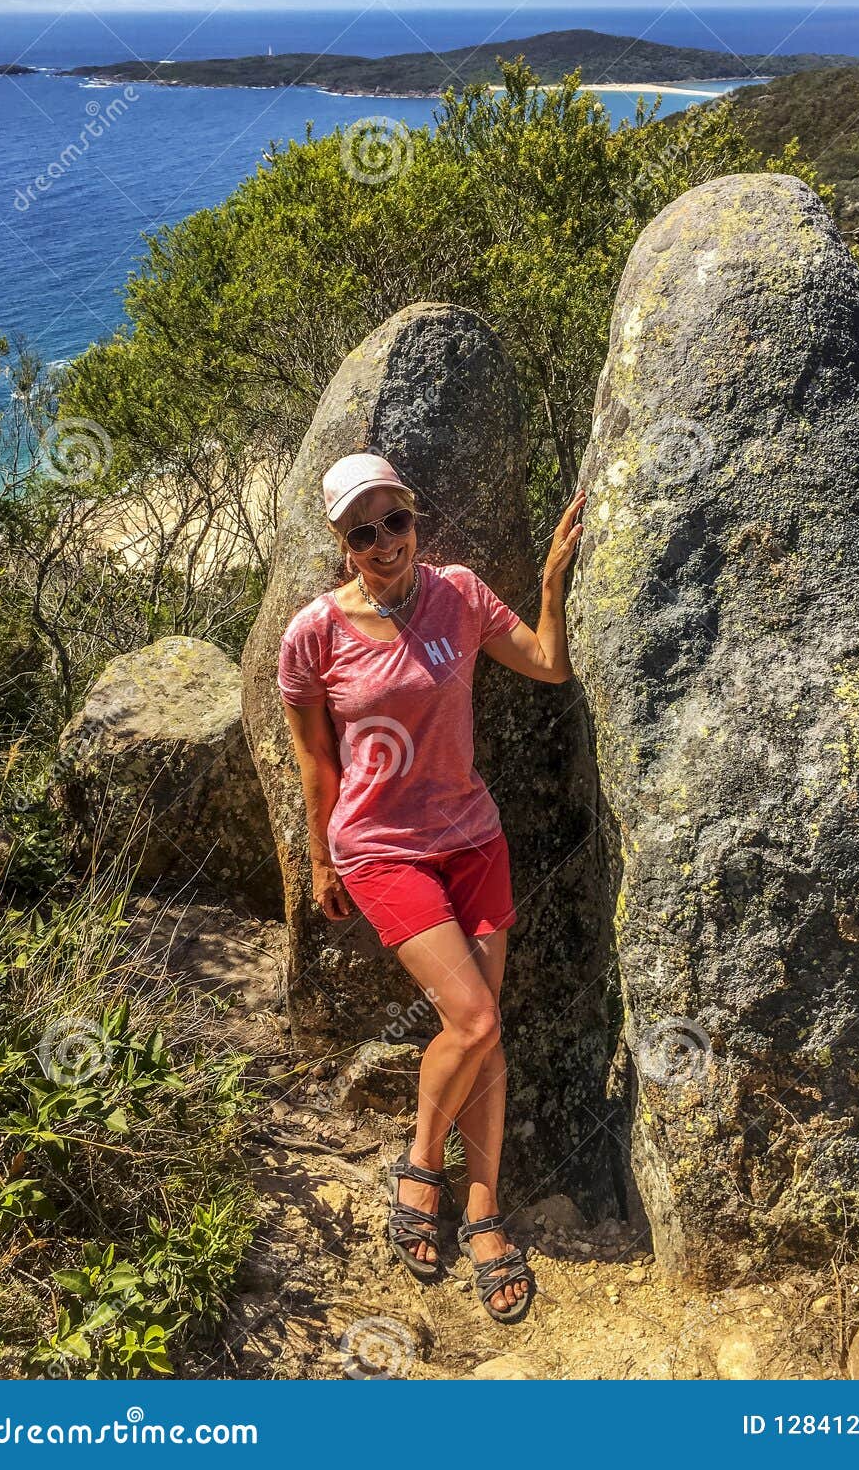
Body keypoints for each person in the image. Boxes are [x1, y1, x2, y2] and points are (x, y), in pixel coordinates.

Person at [276, 452, 585, 1324]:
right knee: (476, 1020)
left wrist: (552, 581)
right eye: (361, 532)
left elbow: (548, 663)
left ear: (415, 517)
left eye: (394, 522)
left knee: (485, 1032)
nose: (383, 543)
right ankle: (422, 1165)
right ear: (341, 543)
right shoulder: (313, 634)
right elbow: (314, 760)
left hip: (473, 838)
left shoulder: (459, 594)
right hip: (381, 850)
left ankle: (483, 1212)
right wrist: (319, 861)